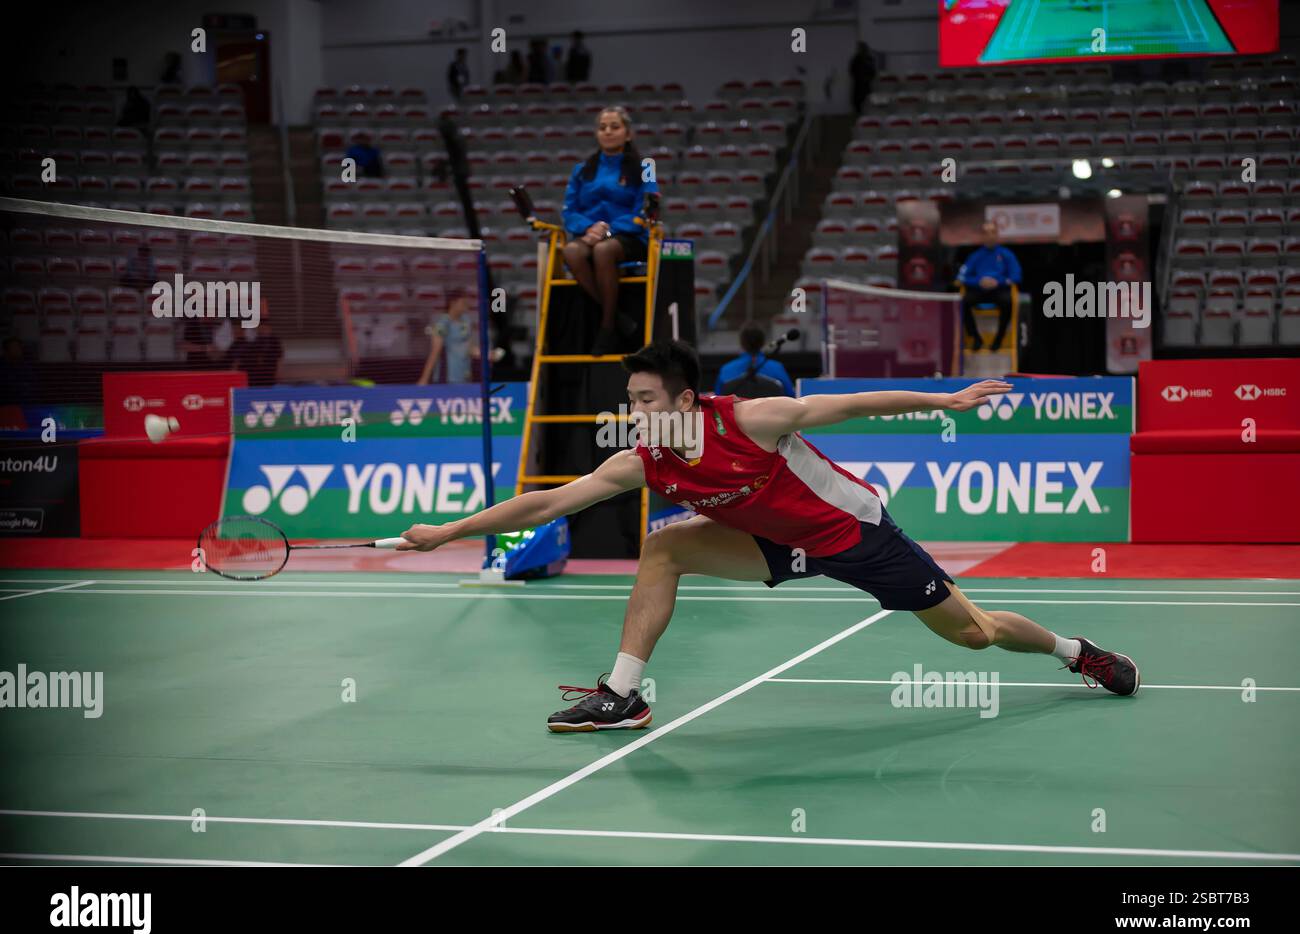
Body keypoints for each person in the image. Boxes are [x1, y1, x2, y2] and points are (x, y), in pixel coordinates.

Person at [397, 339, 1141, 732]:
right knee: (665, 546)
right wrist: (450, 532)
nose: (635, 411)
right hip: (776, 544)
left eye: (647, 399)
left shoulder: (748, 420)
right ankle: (623, 694)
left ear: (685, 399)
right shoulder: (646, 459)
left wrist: (943, 397)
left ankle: (1078, 653)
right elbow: (549, 504)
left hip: (854, 533)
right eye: (630, 400)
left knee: (973, 634)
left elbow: (851, 407)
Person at [561, 105, 658, 356]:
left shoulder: (645, 166)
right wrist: (588, 227)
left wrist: (609, 229)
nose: (608, 131)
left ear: (628, 133)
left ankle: (606, 328)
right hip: (590, 233)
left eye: (615, 127)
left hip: (630, 236)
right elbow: (569, 212)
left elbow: (646, 210)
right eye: (602, 127)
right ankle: (616, 317)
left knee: (604, 250)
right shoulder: (581, 170)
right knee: (571, 251)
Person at [956, 221, 1022, 351]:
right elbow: (961, 277)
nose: (990, 235)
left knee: (1008, 302)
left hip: (999, 290)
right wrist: (978, 281)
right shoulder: (975, 256)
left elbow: (1016, 276)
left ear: (997, 235)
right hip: (979, 290)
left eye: (993, 232)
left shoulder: (1006, 254)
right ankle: (976, 337)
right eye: (986, 232)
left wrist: (999, 282)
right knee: (963, 302)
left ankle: (998, 339)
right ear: (982, 236)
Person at [714, 322, 795, 398]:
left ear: (742, 342)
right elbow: (791, 399)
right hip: (769, 413)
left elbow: (717, 402)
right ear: (763, 342)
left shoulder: (726, 370)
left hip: (737, 413)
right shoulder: (777, 368)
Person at [418, 290, 480, 385]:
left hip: (465, 376)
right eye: (463, 303)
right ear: (453, 303)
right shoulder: (442, 324)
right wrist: (424, 379)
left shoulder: (466, 320)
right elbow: (435, 352)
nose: (466, 306)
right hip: (447, 378)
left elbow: (470, 348)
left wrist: (487, 354)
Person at [225, 301, 283, 387]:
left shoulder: (273, 341)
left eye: (265, 325)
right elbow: (235, 361)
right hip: (250, 380)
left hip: (268, 379)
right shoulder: (246, 342)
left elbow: (278, 359)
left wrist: (278, 374)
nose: (263, 328)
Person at [849, 41, 877, 114]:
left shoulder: (869, 59)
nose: (861, 50)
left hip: (866, 84)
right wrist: (859, 77)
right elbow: (852, 71)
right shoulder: (856, 59)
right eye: (860, 48)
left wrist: (868, 78)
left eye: (862, 48)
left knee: (868, 102)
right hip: (858, 84)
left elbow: (873, 72)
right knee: (857, 103)